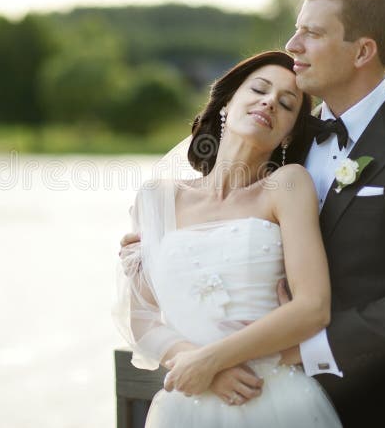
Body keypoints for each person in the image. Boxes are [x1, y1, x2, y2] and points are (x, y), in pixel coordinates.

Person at [120, 0, 385, 427]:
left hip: (375, 406)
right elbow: (228, 229)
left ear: (362, 51)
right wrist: (158, 254)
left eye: (311, 32)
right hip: (232, 395)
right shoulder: (290, 139)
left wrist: (301, 349)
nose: (293, 44)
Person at [113, 50, 343, 427]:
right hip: (189, 401)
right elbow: (143, 316)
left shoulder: (287, 186)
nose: (269, 101)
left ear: (288, 132)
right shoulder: (158, 197)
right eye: (259, 89)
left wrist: (212, 359)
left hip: (272, 398)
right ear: (227, 103)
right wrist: (198, 365)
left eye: (286, 104)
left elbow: (313, 308)